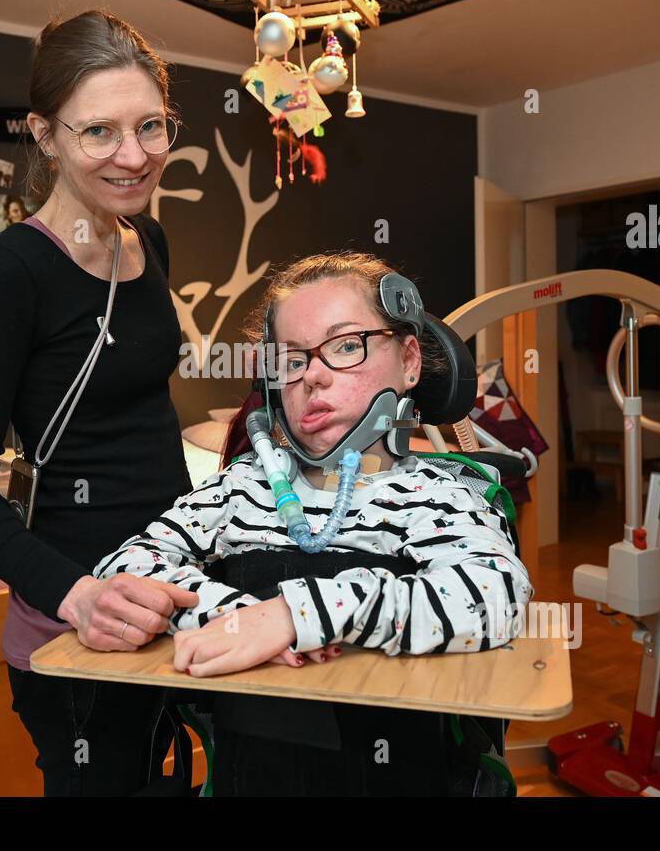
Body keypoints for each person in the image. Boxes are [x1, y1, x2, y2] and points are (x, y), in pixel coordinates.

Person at [91, 252, 533, 795]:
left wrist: (297, 616)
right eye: (292, 359)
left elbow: (494, 595)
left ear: (410, 361)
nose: (314, 376)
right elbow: (126, 567)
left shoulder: (437, 494)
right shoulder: (243, 488)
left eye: (346, 345)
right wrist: (241, 621)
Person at [0, 9, 199, 796]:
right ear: (44, 135)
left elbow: (138, 419)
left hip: (173, 594)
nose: (134, 156)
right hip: (78, 622)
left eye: (151, 126)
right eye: (99, 133)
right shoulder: (5, 272)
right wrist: (79, 598)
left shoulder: (147, 242)